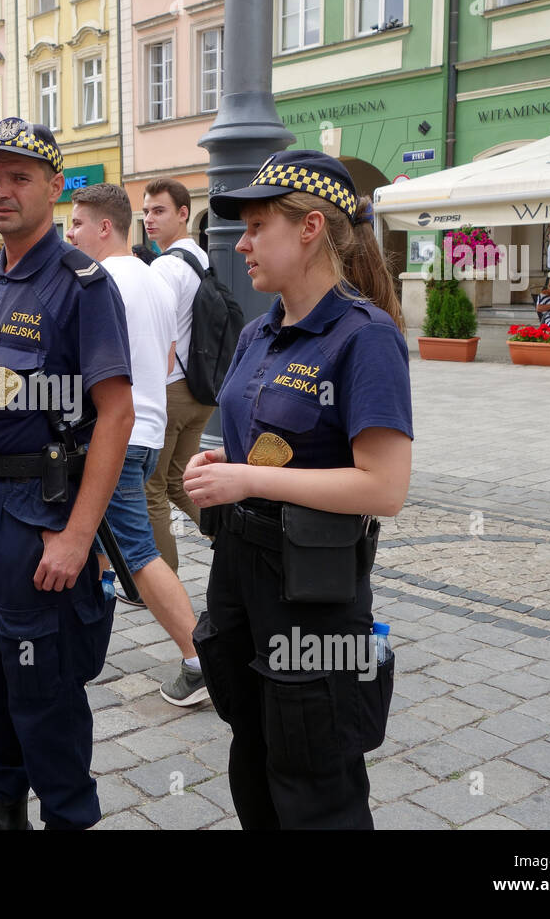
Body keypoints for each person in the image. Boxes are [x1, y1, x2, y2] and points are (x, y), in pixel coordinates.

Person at [183, 150, 412, 829]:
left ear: (310, 227)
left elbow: (385, 487)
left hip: (312, 591)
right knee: (252, 757)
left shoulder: (363, 337)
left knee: (314, 779)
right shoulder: (261, 330)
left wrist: (247, 476)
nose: (241, 243)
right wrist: (234, 459)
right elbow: (280, 443)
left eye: (256, 227)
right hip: (243, 573)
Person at [0, 118, 133, 830]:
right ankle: (1, 809)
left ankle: (67, 816)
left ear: (56, 188)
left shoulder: (82, 284)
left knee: (42, 677)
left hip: (37, 510)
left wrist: (78, 536)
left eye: (18, 177)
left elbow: (115, 414)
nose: (1, 190)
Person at [65, 183, 208, 707]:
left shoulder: (98, 282)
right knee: (102, 542)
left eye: (77, 223)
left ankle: (199, 661)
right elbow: (169, 358)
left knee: (138, 553)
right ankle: (88, 638)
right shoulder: (155, 279)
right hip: (148, 426)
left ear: (105, 226)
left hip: (118, 434)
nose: (70, 234)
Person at [142, 178, 213, 572]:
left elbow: (160, 332)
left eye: (159, 211)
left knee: (152, 486)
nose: (150, 220)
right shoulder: (201, 259)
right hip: (202, 391)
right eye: (147, 211)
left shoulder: (167, 266)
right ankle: (230, 539)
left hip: (171, 391)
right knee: (178, 481)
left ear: (183, 213)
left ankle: (157, 580)